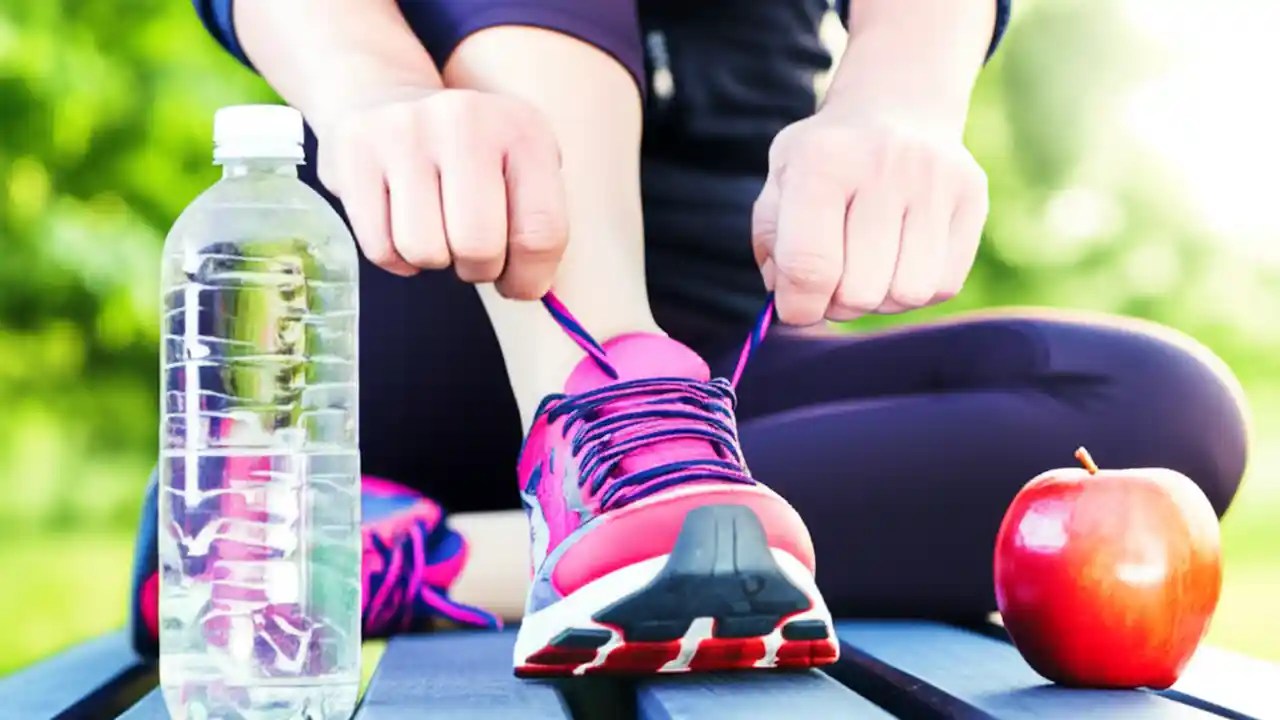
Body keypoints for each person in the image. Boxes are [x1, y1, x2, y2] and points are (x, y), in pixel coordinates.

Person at [132, 0, 1249, 675]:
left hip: (726, 368)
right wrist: (370, 92)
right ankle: (601, 418)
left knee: (1156, 408)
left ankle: (385, 556)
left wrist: (899, 99)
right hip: (449, 269)